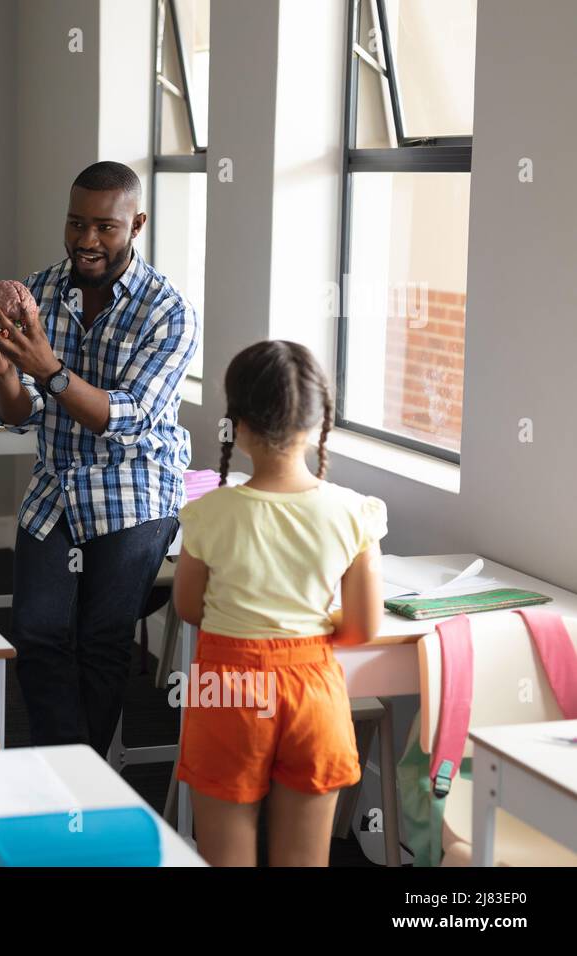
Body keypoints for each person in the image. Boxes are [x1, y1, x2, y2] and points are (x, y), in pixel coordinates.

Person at [0, 161, 199, 754]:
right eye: (76, 223)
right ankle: (63, 768)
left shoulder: (169, 312)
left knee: (101, 639)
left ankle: (81, 774)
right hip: (57, 485)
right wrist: (3, 374)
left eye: (105, 226)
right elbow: (19, 415)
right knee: (37, 634)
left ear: (137, 224)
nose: (87, 240)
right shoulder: (41, 290)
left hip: (136, 487)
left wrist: (46, 368)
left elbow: (123, 418)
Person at [172, 340, 386, 866]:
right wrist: (309, 626)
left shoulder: (211, 512)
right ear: (317, 425)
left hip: (226, 686)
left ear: (238, 427)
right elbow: (362, 628)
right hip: (313, 689)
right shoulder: (353, 512)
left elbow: (189, 607)